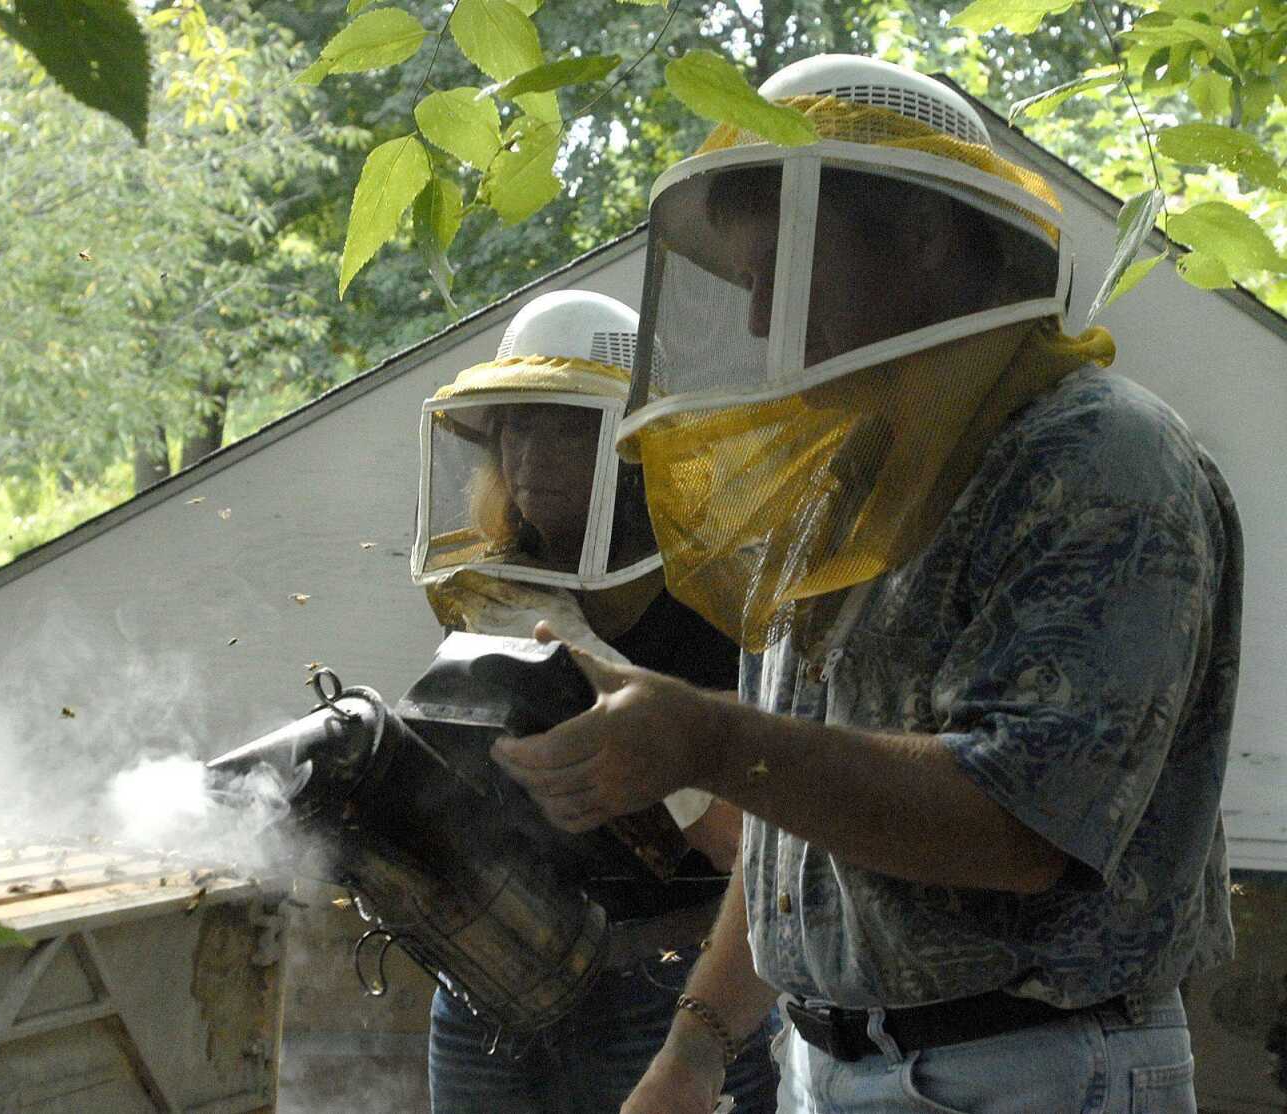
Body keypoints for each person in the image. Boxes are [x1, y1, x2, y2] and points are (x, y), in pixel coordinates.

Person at [489, 56, 1243, 1113]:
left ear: (922, 236)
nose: (758, 323)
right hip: (826, 1067)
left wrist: (703, 738)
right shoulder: (838, 489)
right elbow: (796, 812)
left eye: (780, 269)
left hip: (1033, 1070)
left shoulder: (1095, 456)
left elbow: (1017, 826)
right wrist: (697, 1047)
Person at [413, 289, 781, 1113]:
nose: (528, 454)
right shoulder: (492, 585)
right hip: (490, 981)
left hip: (672, 986)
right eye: (514, 425)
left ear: (633, 444)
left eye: (562, 425)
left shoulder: (721, 596)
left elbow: (741, 839)